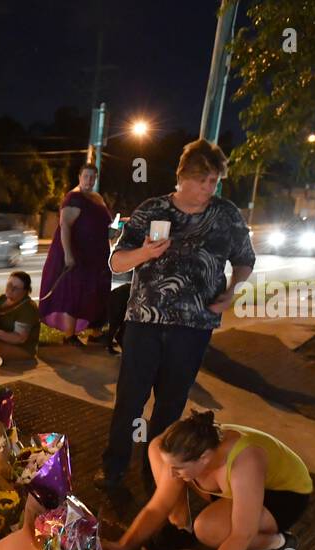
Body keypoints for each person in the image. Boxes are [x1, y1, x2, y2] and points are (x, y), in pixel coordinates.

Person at [96, 139, 256, 491]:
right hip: (145, 322)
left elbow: (245, 259)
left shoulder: (226, 215)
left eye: (215, 181)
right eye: (203, 180)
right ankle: (114, 465)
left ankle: (157, 476)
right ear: (182, 176)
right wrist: (145, 253)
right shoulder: (152, 210)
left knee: (170, 406)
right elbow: (116, 262)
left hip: (194, 326)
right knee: (130, 399)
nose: (209, 188)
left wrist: (232, 289)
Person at [104, 410, 312, 550]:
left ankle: (279, 544)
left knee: (209, 530)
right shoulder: (184, 443)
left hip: (283, 495)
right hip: (234, 485)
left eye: (178, 468)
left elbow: (242, 534)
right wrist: (123, 546)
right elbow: (158, 505)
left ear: (204, 457)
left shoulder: (245, 460)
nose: (172, 473)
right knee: (155, 450)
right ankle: (181, 528)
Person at [38, 162, 113, 340]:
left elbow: (105, 224)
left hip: (98, 255)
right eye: (86, 176)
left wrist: (114, 230)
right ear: (79, 177)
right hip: (79, 254)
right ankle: (69, 335)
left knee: (98, 290)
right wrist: (68, 255)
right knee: (75, 293)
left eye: (92, 177)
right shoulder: (74, 198)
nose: (89, 180)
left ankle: (96, 332)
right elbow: (65, 226)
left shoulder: (97, 198)